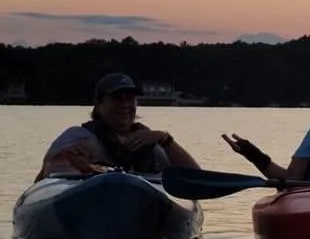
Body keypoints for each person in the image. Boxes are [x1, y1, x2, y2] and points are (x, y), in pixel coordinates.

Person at [38, 73, 200, 179]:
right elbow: (51, 176)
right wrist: (80, 164)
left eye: (130, 99)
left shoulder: (151, 142)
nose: (125, 105)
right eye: (117, 99)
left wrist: (165, 140)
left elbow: (196, 178)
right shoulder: (78, 137)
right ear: (99, 104)